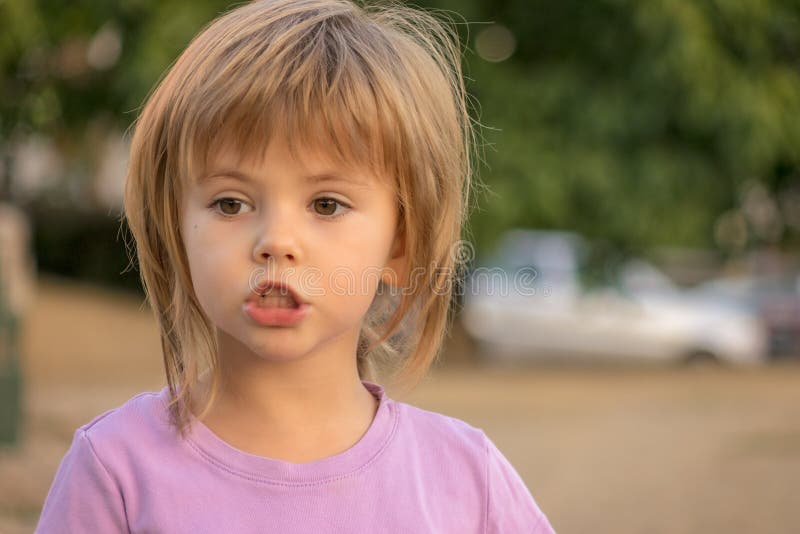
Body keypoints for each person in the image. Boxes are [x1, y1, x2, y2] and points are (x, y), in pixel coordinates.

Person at [35, 0, 556, 532]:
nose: (276, 242)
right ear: (175, 233)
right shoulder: (115, 470)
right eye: (231, 204)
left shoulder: (467, 482)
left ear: (400, 246)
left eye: (326, 204)